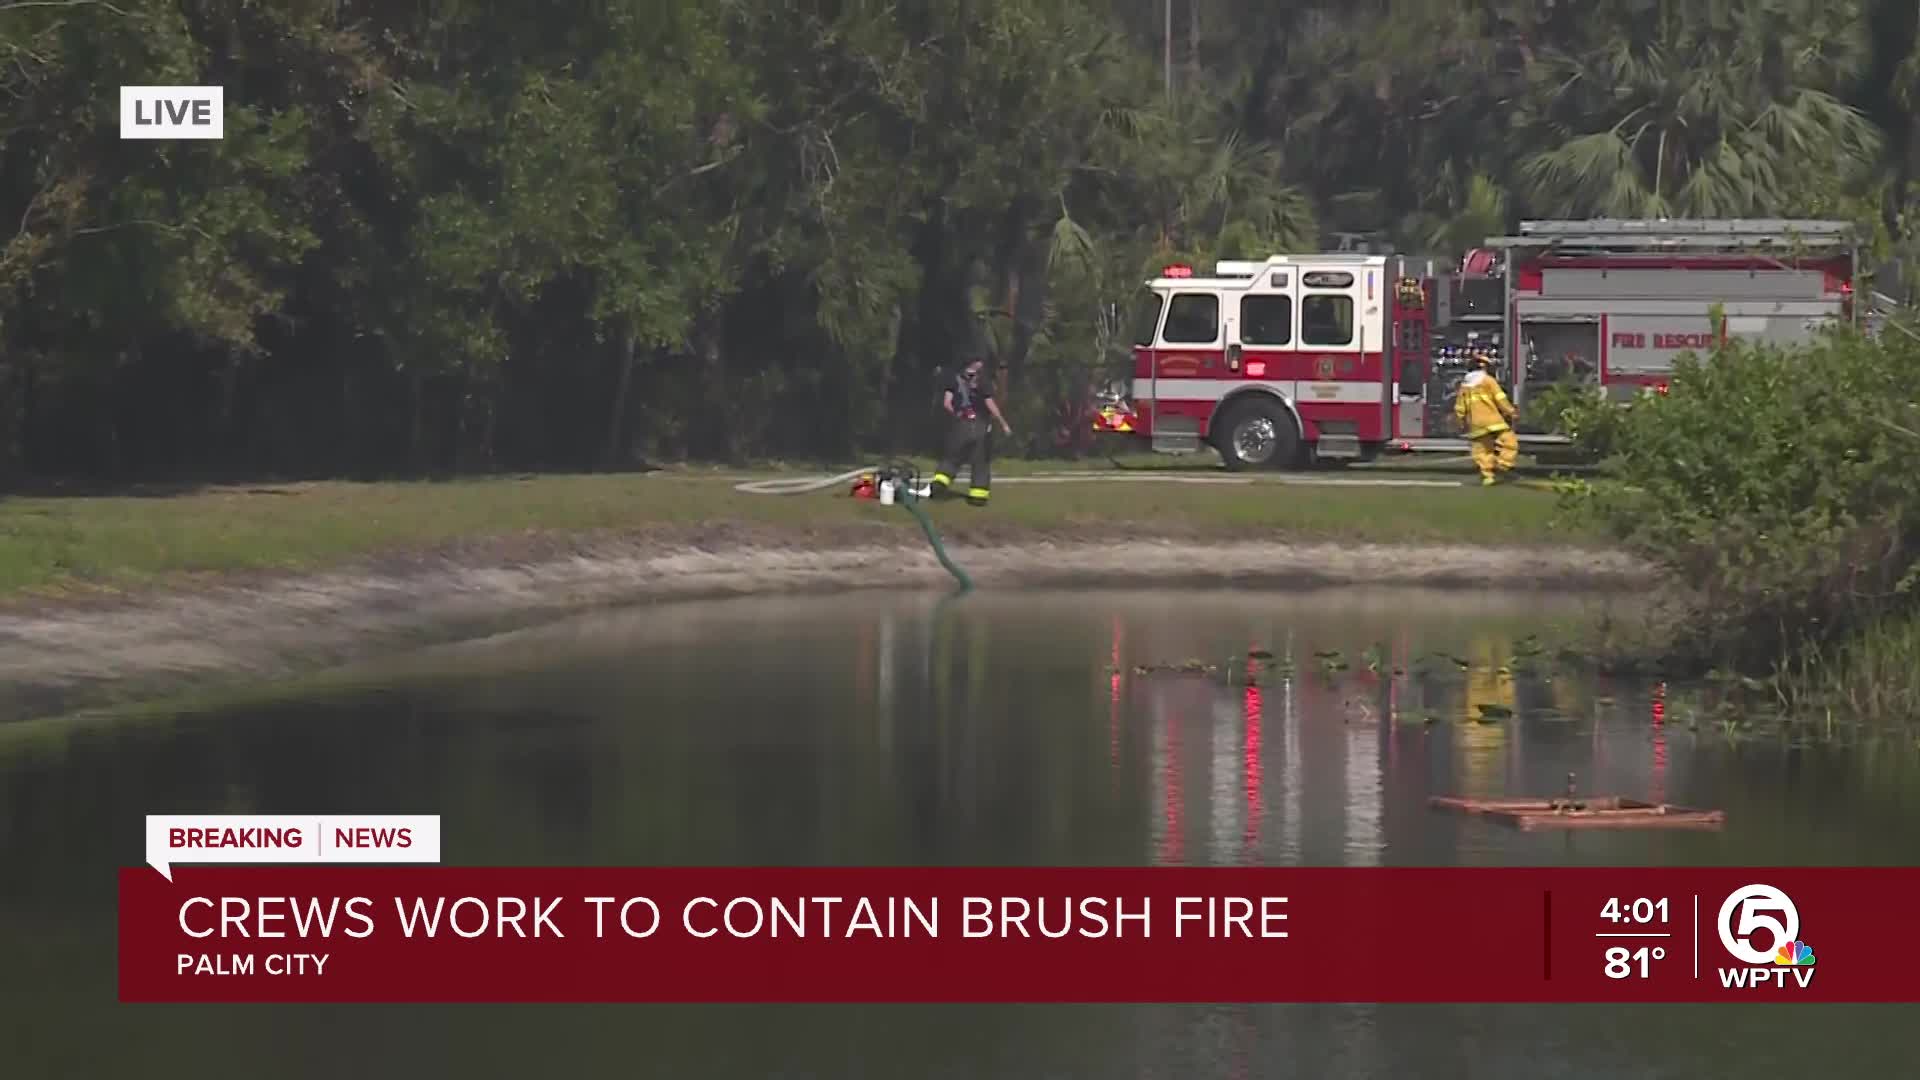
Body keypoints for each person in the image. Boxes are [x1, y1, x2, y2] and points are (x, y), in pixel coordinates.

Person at [928, 356, 1012, 505]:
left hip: (961, 424)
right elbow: (990, 404)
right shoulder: (983, 384)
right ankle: (978, 496)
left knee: (952, 457)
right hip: (979, 425)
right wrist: (1003, 423)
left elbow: (947, 403)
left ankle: (939, 484)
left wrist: (956, 415)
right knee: (980, 462)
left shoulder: (954, 380)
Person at [1454, 352, 1518, 486]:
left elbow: (1460, 406)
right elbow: (1500, 398)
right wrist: (1511, 412)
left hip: (1475, 423)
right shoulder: (1488, 380)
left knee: (1482, 450)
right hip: (1492, 419)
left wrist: (1459, 421)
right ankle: (1502, 465)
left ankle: (1488, 476)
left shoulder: (1465, 385)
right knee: (1509, 441)